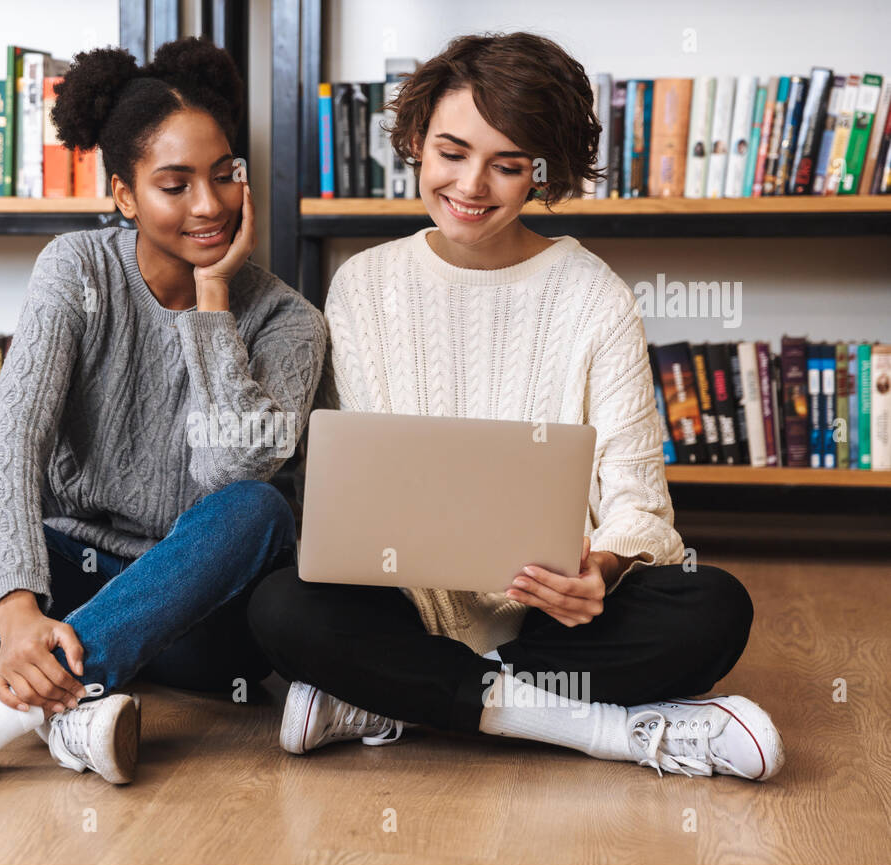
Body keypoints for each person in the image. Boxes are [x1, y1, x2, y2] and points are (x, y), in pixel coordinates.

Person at [247, 32, 783, 782]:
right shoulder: (362, 286)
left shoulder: (596, 296)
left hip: (549, 622)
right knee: (280, 608)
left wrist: (600, 568)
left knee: (715, 608)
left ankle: (393, 697)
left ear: (542, 170)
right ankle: (602, 731)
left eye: (508, 164)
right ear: (414, 142)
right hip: (404, 604)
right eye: (452, 152)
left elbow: (639, 504)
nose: (472, 185)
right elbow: (350, 486)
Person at [0, 37, 327, 798]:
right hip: (64, 584)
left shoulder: (290, 320)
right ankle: (63, 705)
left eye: (225, 177)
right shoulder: (78, 267)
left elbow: (230, 474)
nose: (210, 205)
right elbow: (13, 448)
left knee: (258, 507)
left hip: (194, 609)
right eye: (175, 184)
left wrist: (213, 299)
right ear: (123, 194)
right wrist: (19, 612)